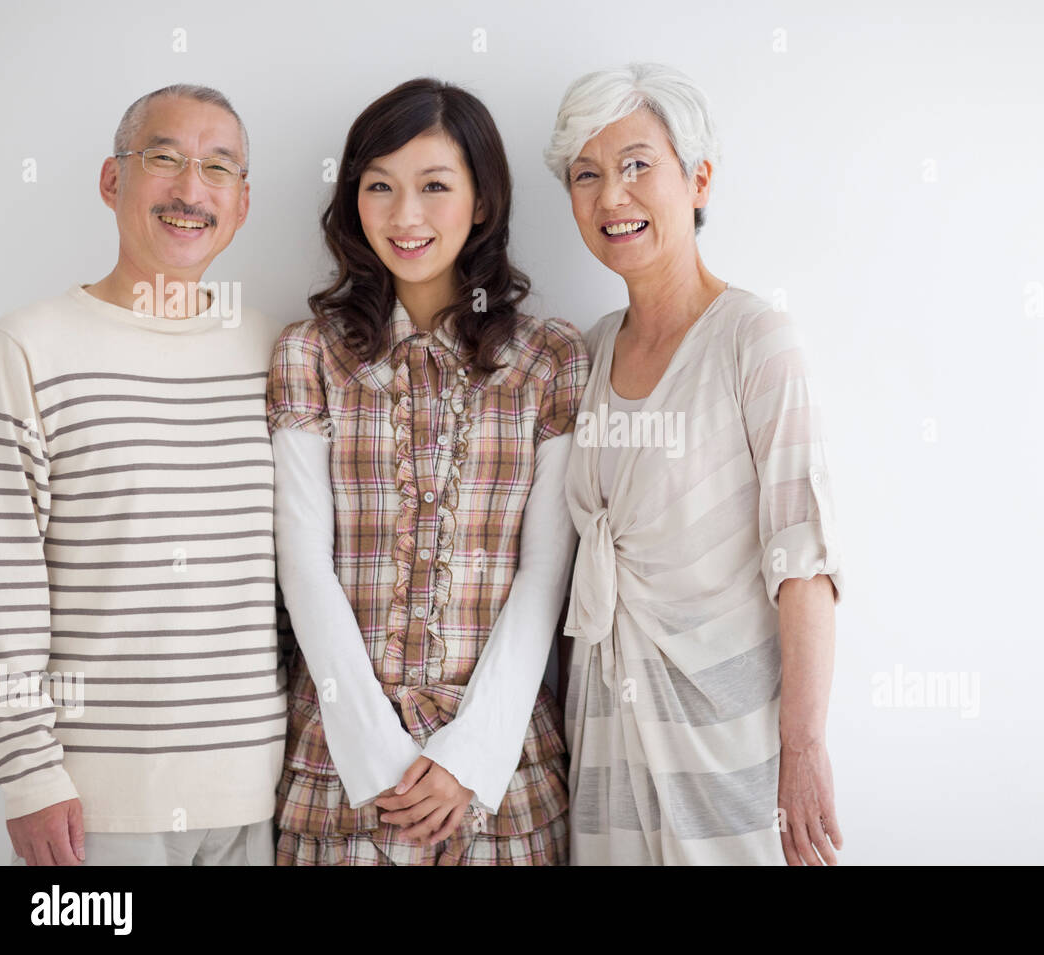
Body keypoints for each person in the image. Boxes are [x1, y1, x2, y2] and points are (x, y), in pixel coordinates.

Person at [268, 78, 587, 865]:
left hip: (498, 775)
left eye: (434, 186)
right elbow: (303, 568)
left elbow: (544, 574)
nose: (405, 215)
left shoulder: (549, 358)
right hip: (341, 771)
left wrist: (466, 756)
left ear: (482, 201)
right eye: (379, 186)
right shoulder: (309, 354)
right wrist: (378, 757)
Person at [545, 63, 846, 865]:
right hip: (604, 739)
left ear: (698, 178)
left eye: (638, 165)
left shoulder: (754, 338)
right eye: (588, 175)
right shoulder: (588, 350)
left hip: (730, 745)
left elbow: (802, 557)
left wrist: (805, 750)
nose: (613, 197)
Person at [0, 84, 287, 866]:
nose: (191, 189)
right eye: (164, 158)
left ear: (243, 203)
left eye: (218, 168)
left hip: (260, 797)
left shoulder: (276, 354)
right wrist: (26, 775)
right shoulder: (26, 348)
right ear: (113, 181)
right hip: (92, 811)